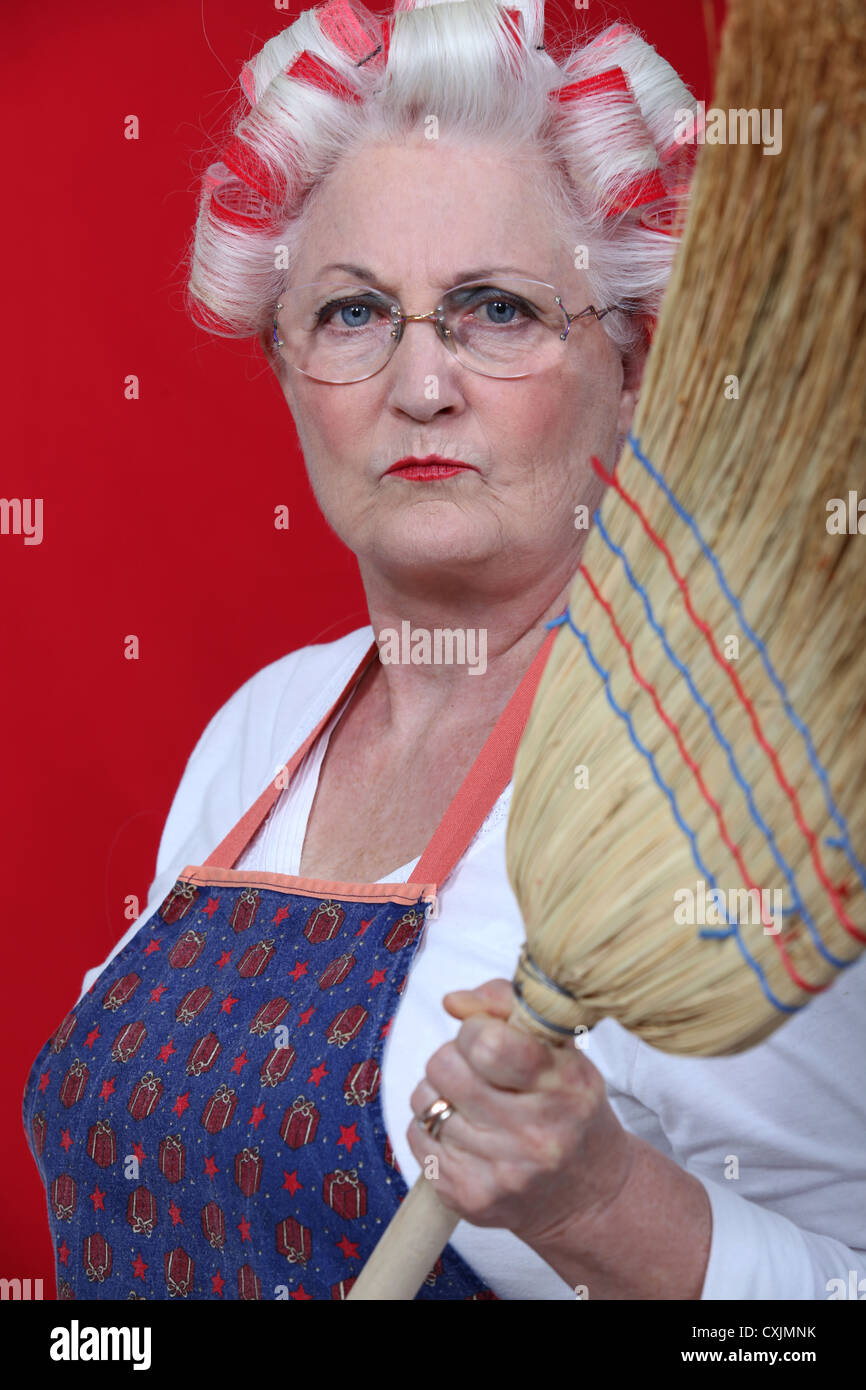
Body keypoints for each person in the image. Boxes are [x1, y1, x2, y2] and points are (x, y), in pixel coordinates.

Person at [22, 0, 866, 1301]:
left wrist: (602, 1203)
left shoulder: (723, 793)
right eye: (355, 314)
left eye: (496, 309)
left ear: (633, 359)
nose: (423, 386)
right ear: (285, 361)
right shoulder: (263, 725)